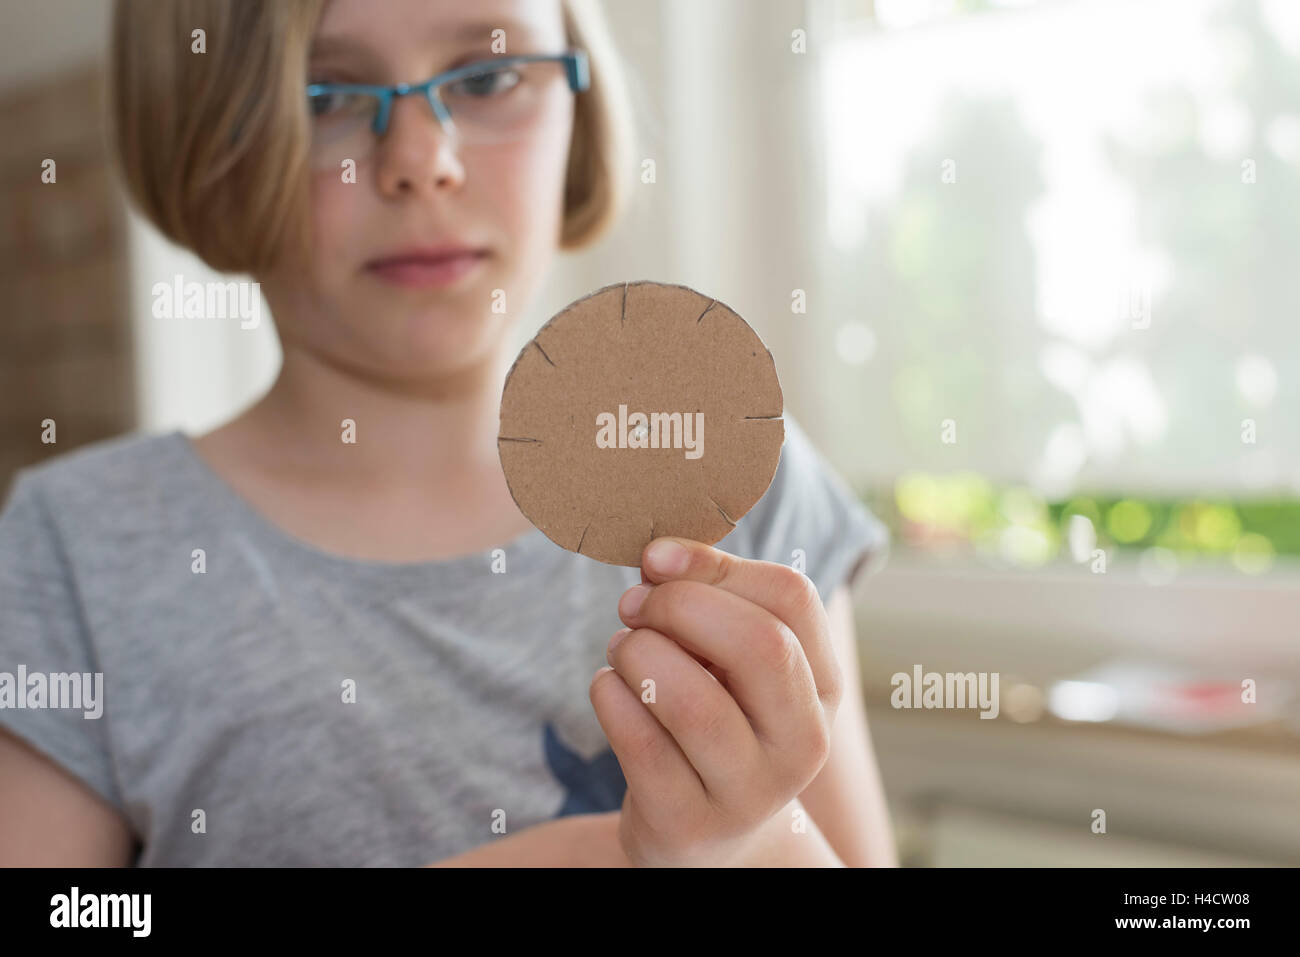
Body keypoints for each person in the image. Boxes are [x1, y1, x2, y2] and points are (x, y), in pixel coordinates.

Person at [0, 0, 896, 867]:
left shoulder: (740, 487)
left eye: (491, 74)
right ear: (201, 137)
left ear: (579, 111)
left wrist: (749, 842)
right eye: (328, 96)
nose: (421, 160)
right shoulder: (75, 552)